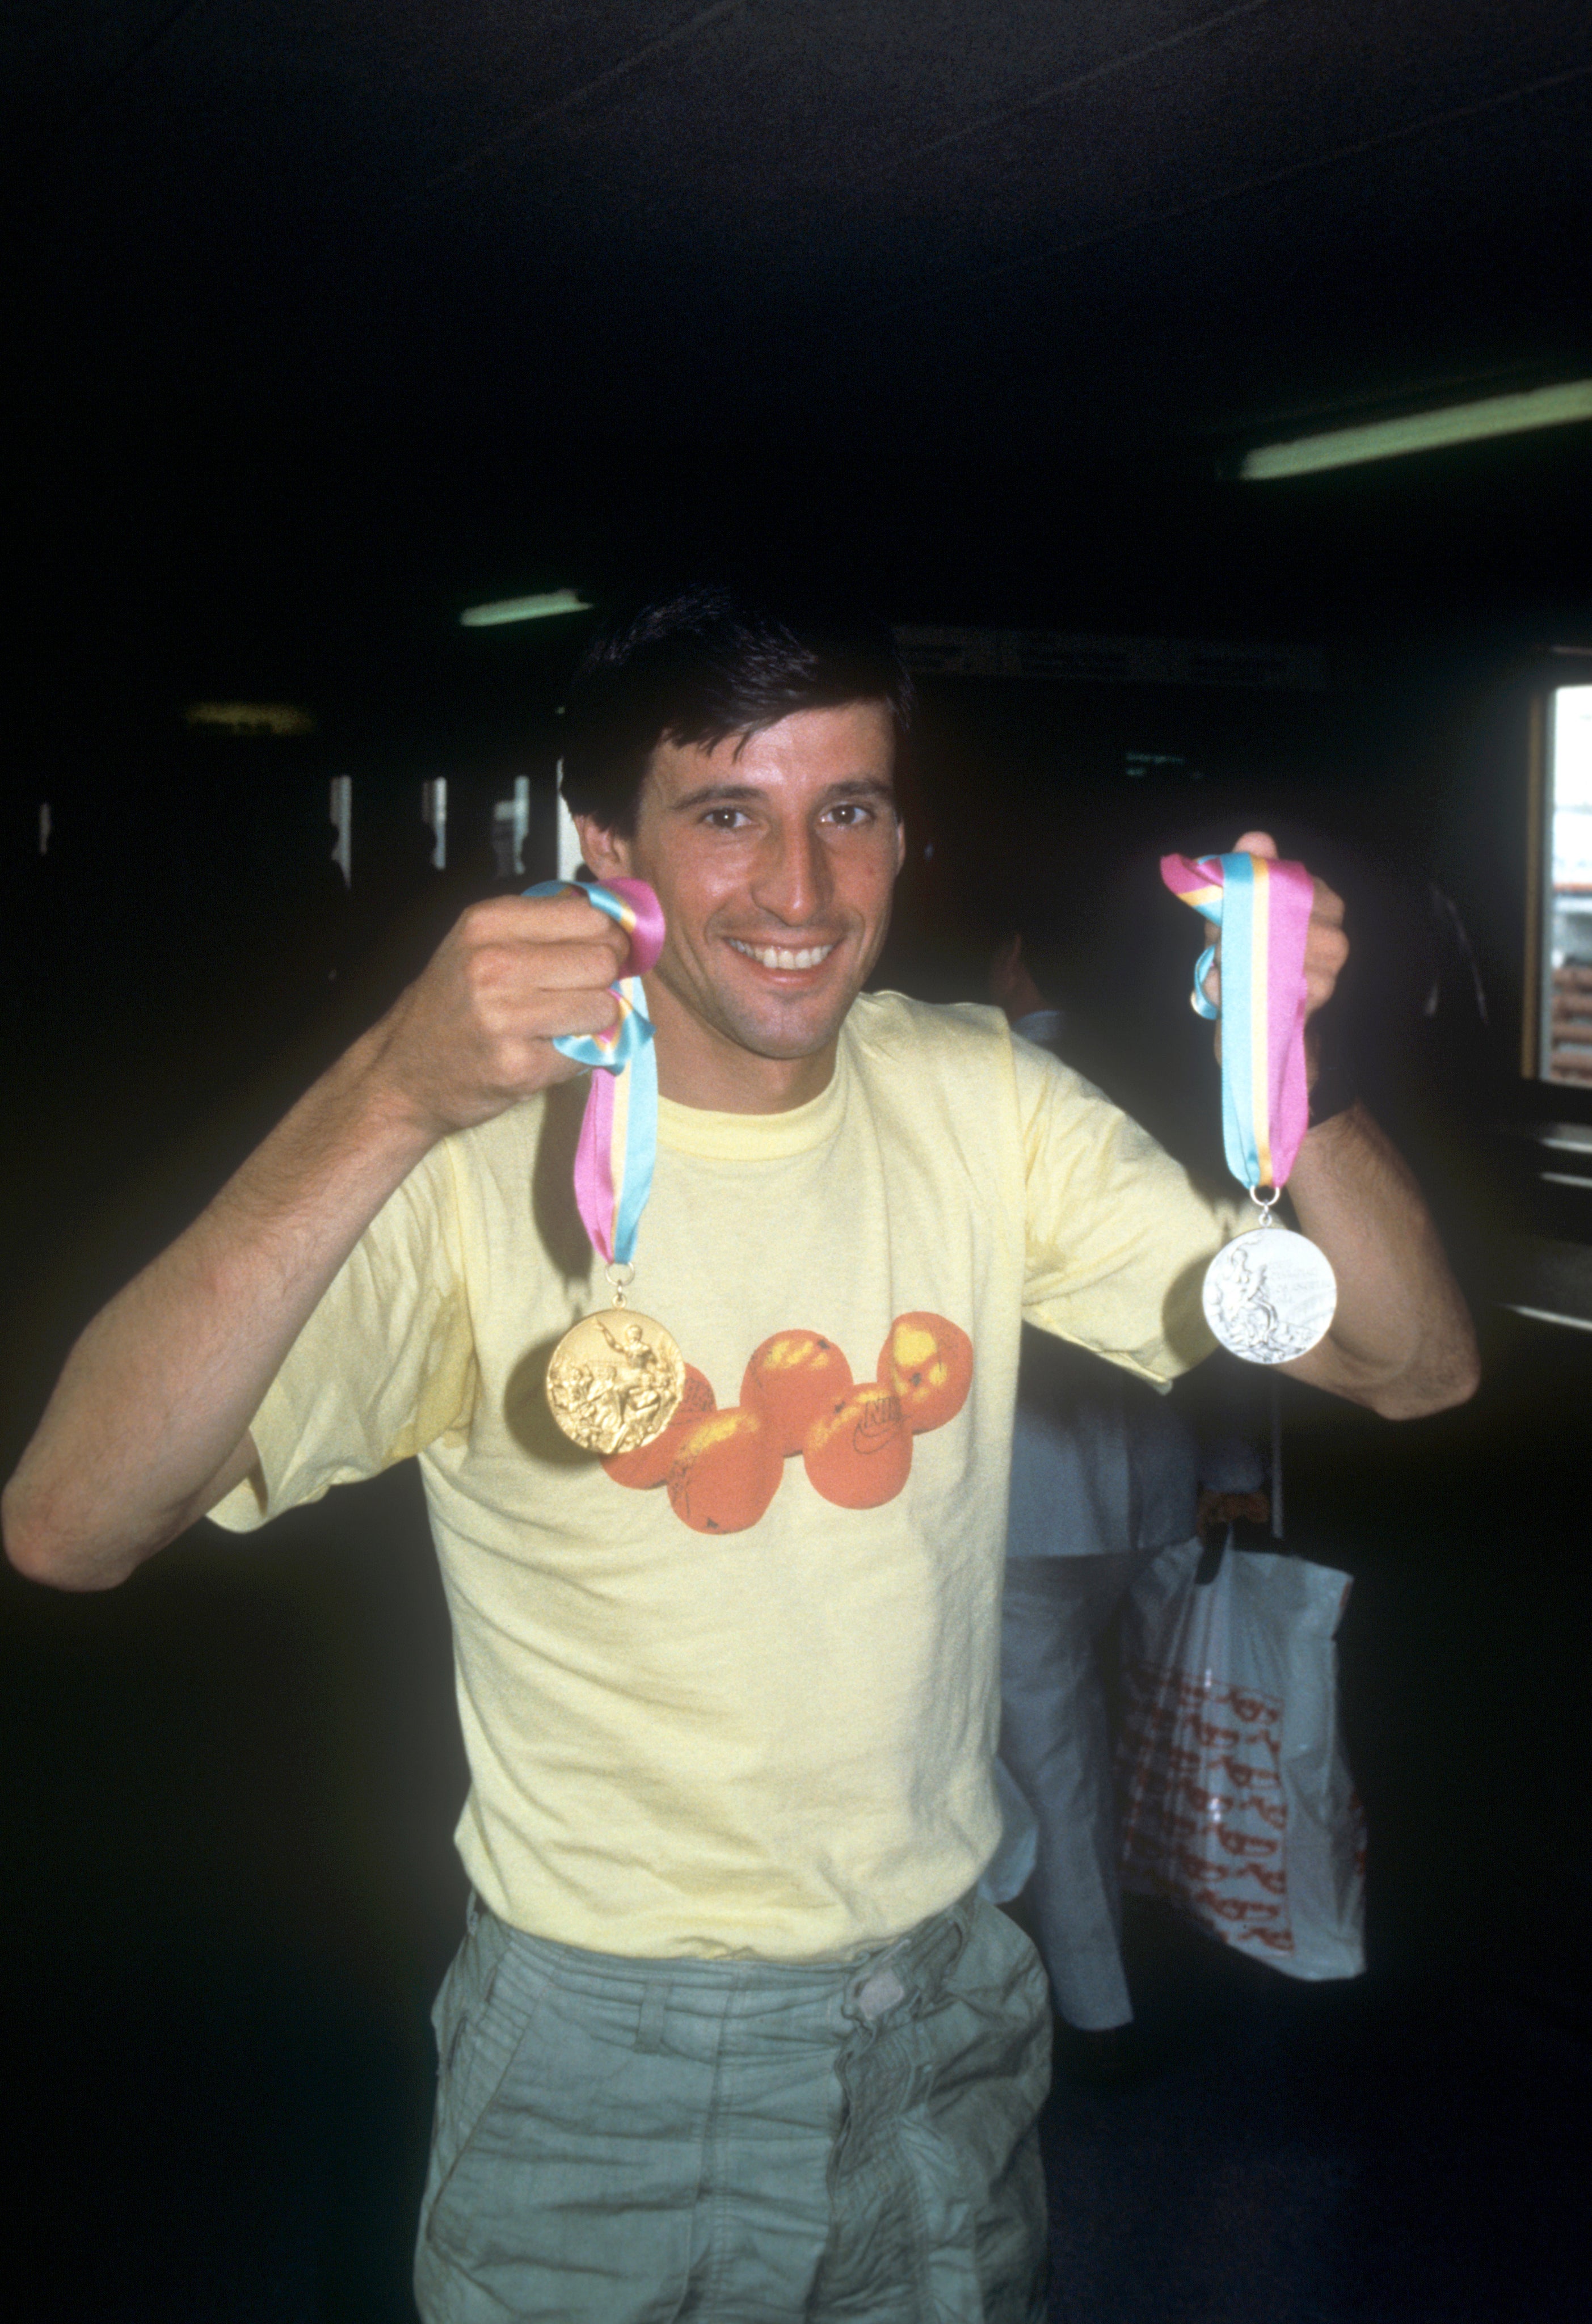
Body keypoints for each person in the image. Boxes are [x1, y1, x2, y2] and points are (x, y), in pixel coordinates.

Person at [3, 581, 1479, 2324]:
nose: (798, 891)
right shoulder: (472, 1163)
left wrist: (1303, 1062)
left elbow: (1409, 1367)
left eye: (844, 811)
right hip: (603, 2057)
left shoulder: (978, 1102)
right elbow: (71, 1523)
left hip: (944, 2010)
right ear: (600, 843)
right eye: (726, 815)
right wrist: (388, 1091)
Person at [988, 935, 1267, 2079]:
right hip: (1156, 1481)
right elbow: (1229, 1313)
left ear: (1012, 958)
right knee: (1165, 1725)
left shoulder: (978, 1092)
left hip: (1023, 1501)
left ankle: (1094, 2003)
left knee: (1050, 1750)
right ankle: (1212, 1928)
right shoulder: (1164, 1090)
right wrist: (1231, 1459)